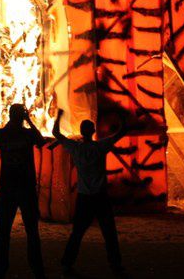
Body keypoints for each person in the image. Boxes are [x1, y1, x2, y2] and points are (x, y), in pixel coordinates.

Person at [52, 108, 128, 277]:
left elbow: (55, 133)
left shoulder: (75, 148)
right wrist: (121, 116)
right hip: (100, 196)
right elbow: (122, 132)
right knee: (109, 232)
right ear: (93, 131)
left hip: (84, 197)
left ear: (81, 132)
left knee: (77, 233)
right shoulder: (101, 146)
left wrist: (58, 117)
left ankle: (67, 263)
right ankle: (115, 264)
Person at [0, 103, 46, 279]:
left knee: (5, 232)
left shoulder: (1, 133)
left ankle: (2, 268)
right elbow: (41, 141)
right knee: (31, 231)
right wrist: (29, 120)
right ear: (20, 115)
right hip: (23, 188)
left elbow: (40, 141)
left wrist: (23, 120)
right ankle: (36, 268)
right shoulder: (26, 133)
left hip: (10, 189)